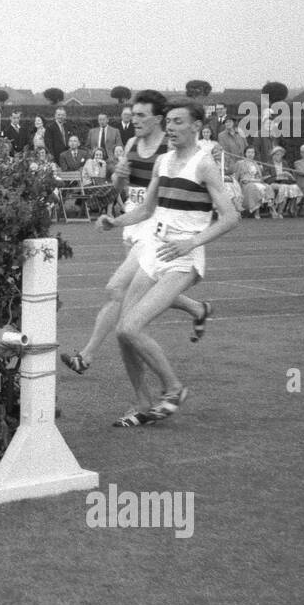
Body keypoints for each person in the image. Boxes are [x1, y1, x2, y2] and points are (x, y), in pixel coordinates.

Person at [97, 100, 240, 425]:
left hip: (183, 259)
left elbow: (231, 217)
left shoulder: (204, 165)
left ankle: (173, 388)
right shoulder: (162, 161)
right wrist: (115, 222)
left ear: (196, 127)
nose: (172, 128)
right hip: (154, 251)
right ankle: (143, 403)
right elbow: (147, 210)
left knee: (132, 326)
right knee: (123, 332)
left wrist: (191, 241)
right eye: (170, 122)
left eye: (178, 122)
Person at [58, 90, 211, 378]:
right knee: (137, 290)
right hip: (132, 222)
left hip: (154, 225)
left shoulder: (170, 148)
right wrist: (119, 174)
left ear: (158, 119)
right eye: (132, 114)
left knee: (117, 289)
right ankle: (197, 309)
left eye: (140, 115)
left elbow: (176, 189)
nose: (132, 119)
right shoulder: (130, 142)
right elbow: (117, 188)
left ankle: (87, 355)